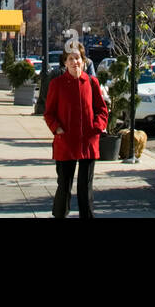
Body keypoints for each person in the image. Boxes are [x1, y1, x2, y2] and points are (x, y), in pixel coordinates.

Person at [43, 44, 108, 218]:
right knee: (64, 185)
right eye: (70, 59)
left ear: (84, 60)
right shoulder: (57, 84)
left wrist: (97, 127)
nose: (75, 62)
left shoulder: (91, 82)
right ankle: (60, 214)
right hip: (65, 141)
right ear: (65, 62)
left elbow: (102, 110)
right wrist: (57, 128)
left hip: (88, 141)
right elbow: (49, 113)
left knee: (85, 188)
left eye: (78, 58)